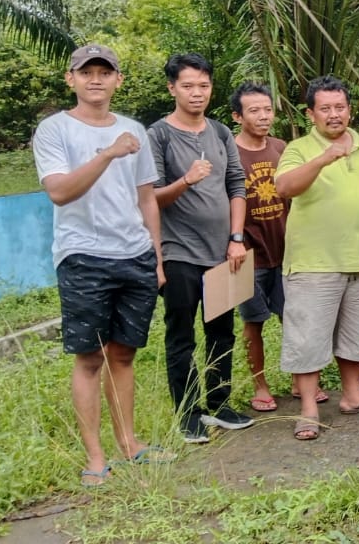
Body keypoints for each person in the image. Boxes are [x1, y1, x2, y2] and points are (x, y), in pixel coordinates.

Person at [34, 44, 173, 486]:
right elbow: (59, 192)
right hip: (83, 256)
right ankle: (96, 457)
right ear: (70, 79)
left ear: (119, 80)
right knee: (90, 357)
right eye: (86, 72)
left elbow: (146, 196)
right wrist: (107, 154)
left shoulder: (134, 129)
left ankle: (131, 445)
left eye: (104, 72)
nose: (96, 79)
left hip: (135, 254)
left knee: (124, 354)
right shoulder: (54, 130)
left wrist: (156, 254)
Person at [275, 76, 359, 441]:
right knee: (309, 337)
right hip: (313, 262)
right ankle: (309, 409)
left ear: (350, 109)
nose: (334, 114)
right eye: (325, 108)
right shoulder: (298, 148)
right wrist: (324, 158)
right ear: (311, 112)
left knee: (354, 334)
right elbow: (284, 188)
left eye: (340, 107)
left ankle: (352, 395)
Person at [149, 53, 253, 444]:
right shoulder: (157, 135)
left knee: (222, 333)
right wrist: (187, 181)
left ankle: (220, 403)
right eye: (188, 85)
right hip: (178, 253)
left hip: (224, 253)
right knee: (181, 336)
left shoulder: (221, 132)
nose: (197, 93)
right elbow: (152, 197)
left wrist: (236, 238)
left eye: (204, 85)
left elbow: (236, 187)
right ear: (172, 88)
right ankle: (189, 413)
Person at [230, 82, 289, 413]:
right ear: (238, 116)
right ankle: (260, 384)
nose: (263, 116)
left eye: (267, 109)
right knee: (254, 321)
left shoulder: (281, 148)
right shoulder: (230, 152)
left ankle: (300, 378)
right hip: (246, 254)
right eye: (254, 110)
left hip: (285, 249)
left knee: (292, 317)